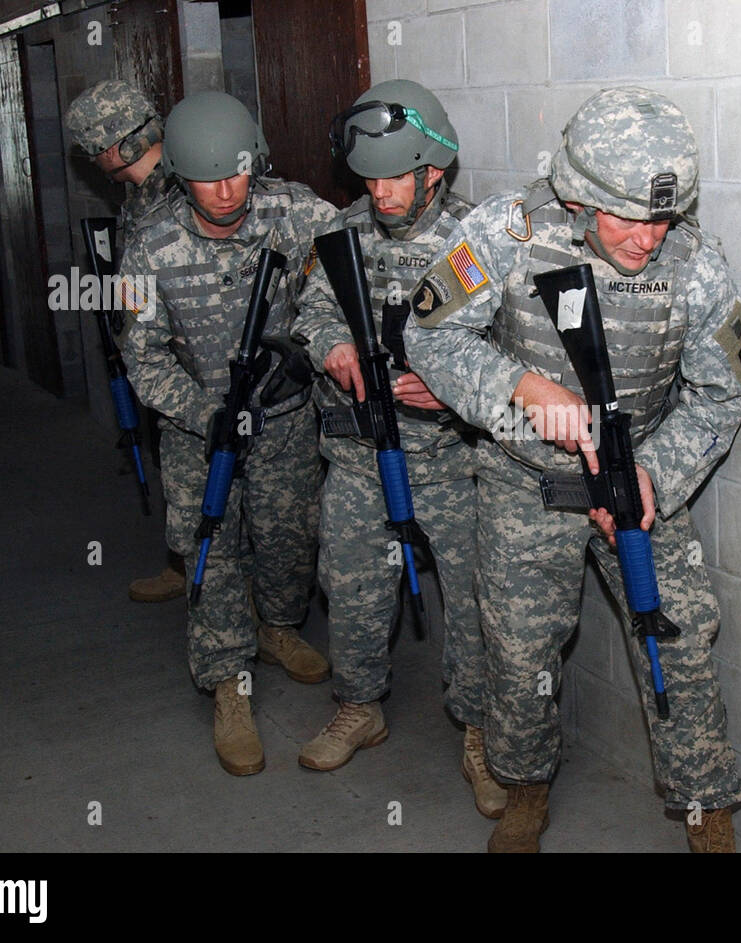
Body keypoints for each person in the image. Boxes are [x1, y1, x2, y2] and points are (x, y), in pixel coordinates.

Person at [403, 87, 741, 852]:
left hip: (637, 479)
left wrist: (654, 475)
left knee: (680, 637)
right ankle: (525, 785)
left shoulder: (692, 263)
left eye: (661, 217)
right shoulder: (507, 233)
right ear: (579, 194)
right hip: (526, 482)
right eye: (628, 216)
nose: (646, 238)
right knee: (522, 648)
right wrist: (520, 387)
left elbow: (724, 389)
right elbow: (429, 335)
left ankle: (705, 807)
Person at [291, 80, 504, 818]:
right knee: (349, 580)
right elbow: (311, 310)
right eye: (369, 179)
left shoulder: (479, 240)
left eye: (395, 179)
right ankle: (359, 704)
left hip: (452, 460)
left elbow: (514, 350)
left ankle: (478, 731)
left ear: (433, 171)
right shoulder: (340, 233)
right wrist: (333, 346)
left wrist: (452, 389)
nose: (379, 195)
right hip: (359, 453)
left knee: (473, 603)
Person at [120, 91, 334, 775]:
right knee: (212, 547)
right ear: (180, 176)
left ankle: (277, 627)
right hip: (199, 429)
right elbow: (142, 357)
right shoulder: (150, 245)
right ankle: (228, 681)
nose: (227, 189)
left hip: (284, 419)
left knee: (288, 539)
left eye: (239, 172)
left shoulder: (291, 211)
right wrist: (201, 411)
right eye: (209, 178)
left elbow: (358, 253)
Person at [65, 79, 188, 604]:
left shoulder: (186, 186)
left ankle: (247, 607)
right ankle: (183, 563)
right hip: (160, 361)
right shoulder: (139, 195)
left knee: (216, 494)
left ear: (113, 147)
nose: (94, 161)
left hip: (194, 366)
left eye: (94, 150)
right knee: (182, 482)